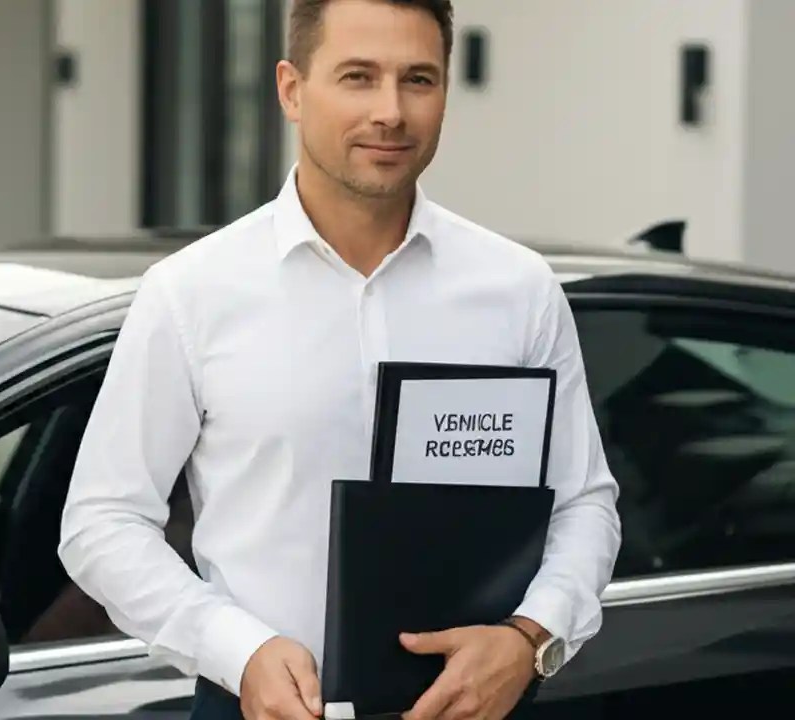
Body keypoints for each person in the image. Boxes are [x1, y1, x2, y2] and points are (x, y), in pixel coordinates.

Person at [57, 1, 621, 719]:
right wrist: (239, 649)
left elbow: (585, 503)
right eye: (358, 77)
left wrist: (528, 636)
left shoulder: (517, 291)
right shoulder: (193, 293)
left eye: (418, 79)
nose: (390, 111)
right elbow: (102, 522)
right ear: (291, 90)